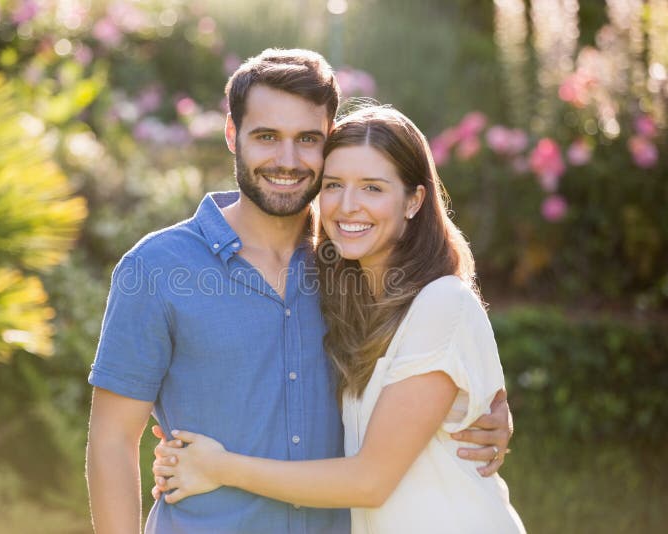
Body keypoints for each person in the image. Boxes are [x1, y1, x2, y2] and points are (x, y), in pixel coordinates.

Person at [86, 49, 513, 534]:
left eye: (308, 139)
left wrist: (480, 410)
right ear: (232, 134)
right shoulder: (156, 268)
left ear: (329, 141)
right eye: (266, 136)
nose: (287, 161)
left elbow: (423, 368)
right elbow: (111, 441)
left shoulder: (356, 263)